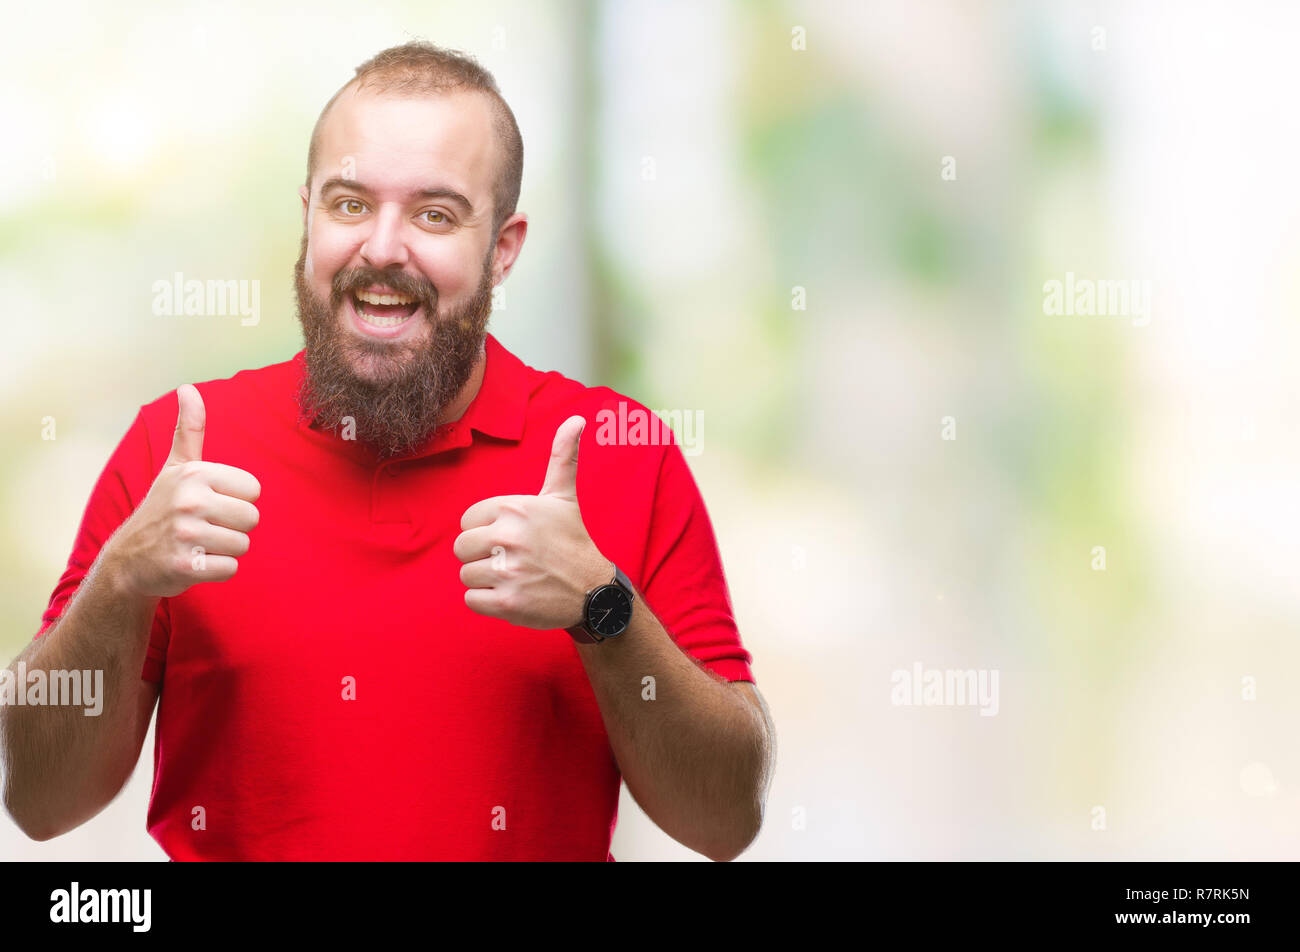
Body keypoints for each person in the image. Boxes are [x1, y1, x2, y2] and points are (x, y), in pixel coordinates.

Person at [0, 41, 774, 861]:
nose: (381, 248)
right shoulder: (178, 447)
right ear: (307, 215)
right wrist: (119, 579)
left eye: (435, 214)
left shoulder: (619, 451)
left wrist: (603, 610)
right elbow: (38, 800)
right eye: (349, 204)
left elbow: (726, 820)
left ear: (503, 248)